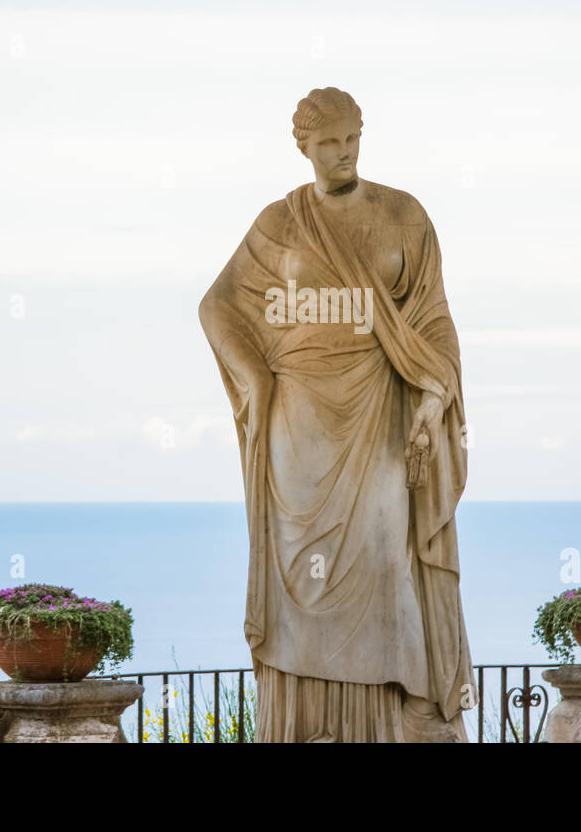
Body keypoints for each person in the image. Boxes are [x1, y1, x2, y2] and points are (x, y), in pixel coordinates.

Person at [198, 87, 474, 741]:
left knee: (384, 557)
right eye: (329, 142)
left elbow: (433, 320)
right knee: (304, 576)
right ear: (304, 147)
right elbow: (218, 306)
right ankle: (306, 727)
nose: (343, 151)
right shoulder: (279, 223)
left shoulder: (404, 215)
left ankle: (389, 722)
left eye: (352, 138)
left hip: (379, 413)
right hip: (298, 424)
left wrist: (434, 399)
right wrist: (258, 383)